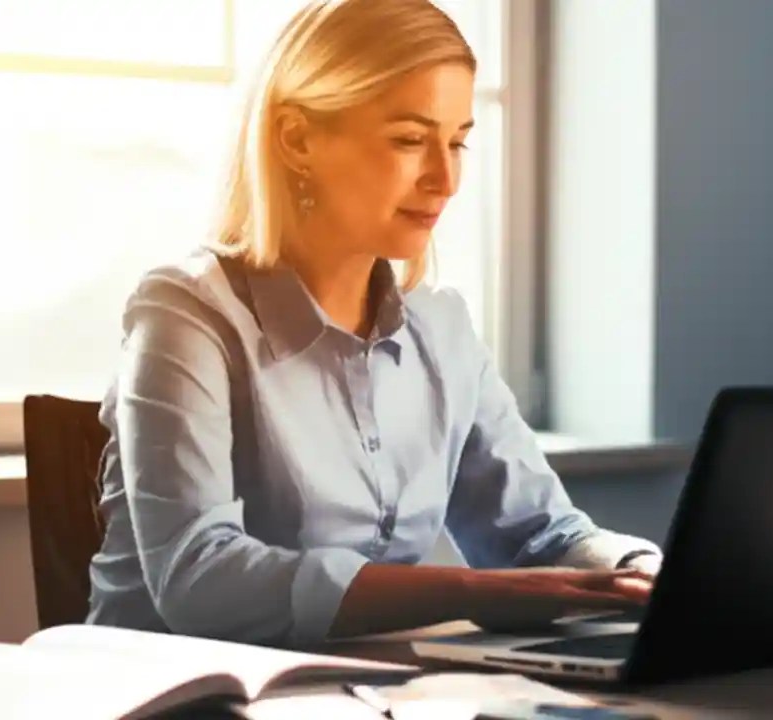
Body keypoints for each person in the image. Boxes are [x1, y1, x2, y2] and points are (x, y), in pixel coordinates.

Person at [86, 0, 662, 650]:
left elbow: (540, 537)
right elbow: (199, 577)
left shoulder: (442, 330)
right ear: (297, 138)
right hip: (173, 696)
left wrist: (642, 574)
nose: (445, 178)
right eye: (410, 140)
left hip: (361, 692)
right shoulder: (185, 313)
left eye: (458, 141)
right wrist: (473, 593)